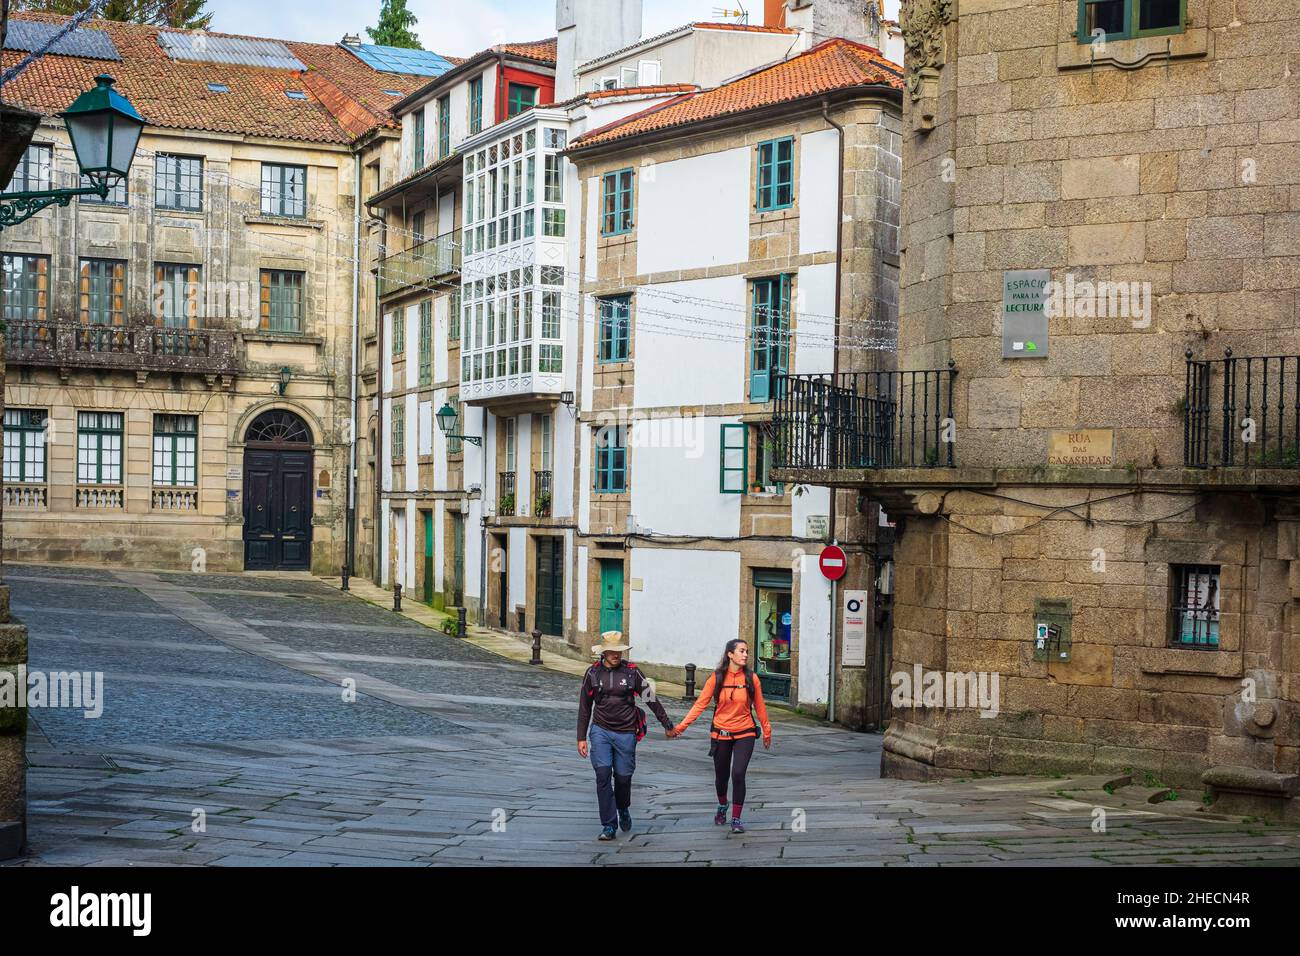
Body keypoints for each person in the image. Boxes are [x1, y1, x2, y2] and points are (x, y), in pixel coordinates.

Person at [576, 631, 675, 841]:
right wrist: (581, 737)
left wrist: (667, 724)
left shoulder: (632, 672)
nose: (616, 655)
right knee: (602, 776)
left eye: (619, 651)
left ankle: (623, 808)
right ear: (604, 653)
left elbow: (651, 698)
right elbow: (585, 707)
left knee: (623, 778)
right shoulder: (592, 673)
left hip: (626, 733)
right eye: (612, 651)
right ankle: (609, 825)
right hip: (600, 730)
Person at [669, 638, 772, 834]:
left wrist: (767, 730)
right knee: (721, 777)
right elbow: (700, 704)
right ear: (730, 654)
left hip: (746, 731)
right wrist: (681, 727)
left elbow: (759, 706)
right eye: (741, 651)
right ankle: (722, 804)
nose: (746, 655)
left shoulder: (752, 678)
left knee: (739, 773)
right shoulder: (716, 678)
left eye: (747, 651)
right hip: (721, 732)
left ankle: (736, 818)